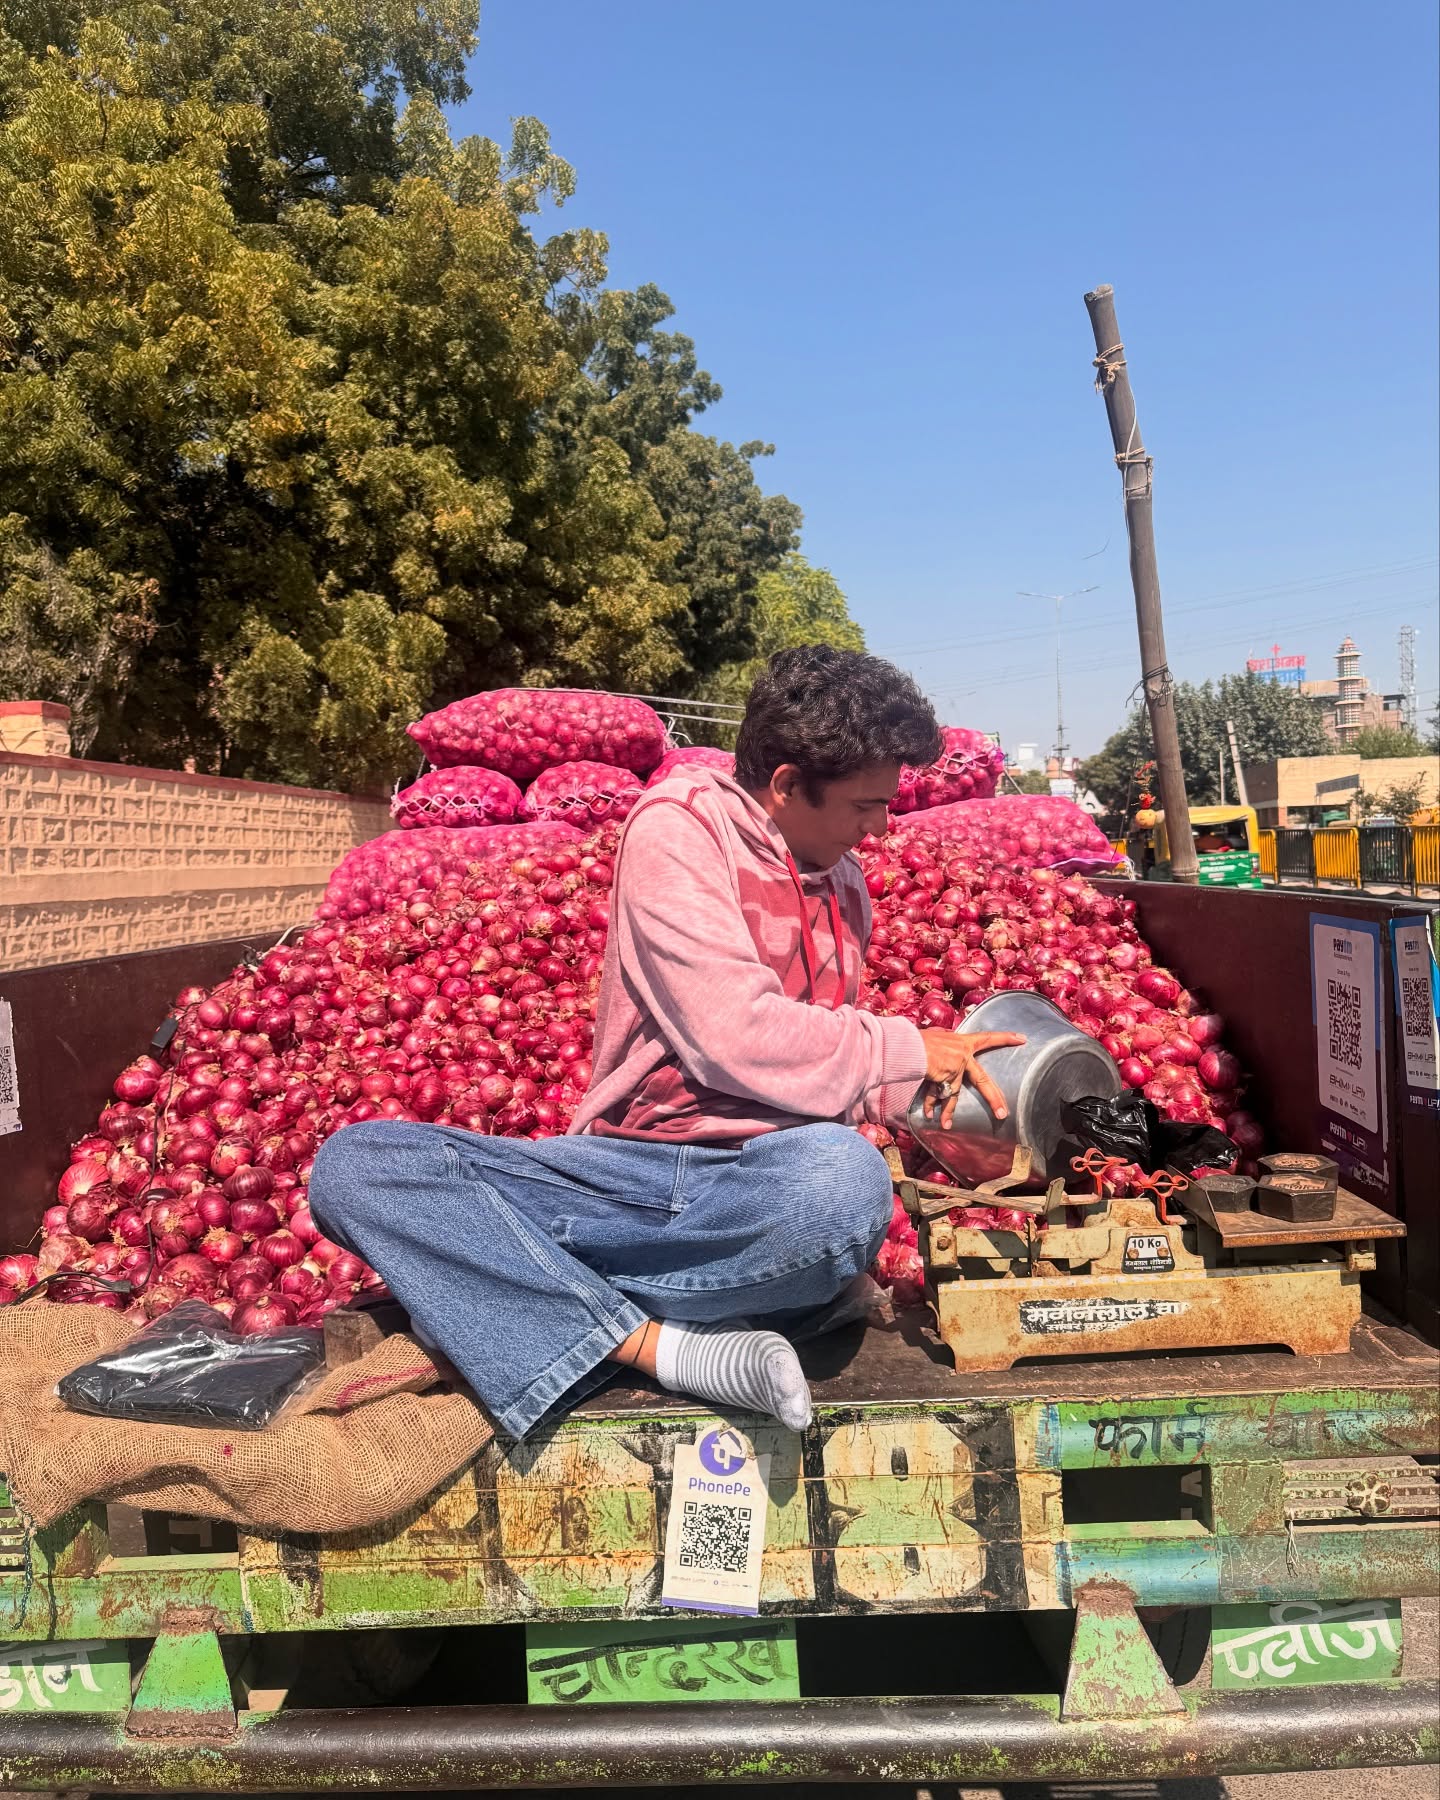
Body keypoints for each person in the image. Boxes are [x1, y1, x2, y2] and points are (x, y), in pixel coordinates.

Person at [309, 647, 1023, 1439]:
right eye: (864, 805)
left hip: (757, 1185)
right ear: (786, 784)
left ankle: (526, 1299)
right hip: (629, 1176)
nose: (880, 826)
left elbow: (817, 1065)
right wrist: (904, 1052)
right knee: (361, 1166)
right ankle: (670, 1350)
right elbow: (731, 1034)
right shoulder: (679, 830)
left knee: (842, 1182)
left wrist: (959, 1111)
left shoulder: (845, 882)